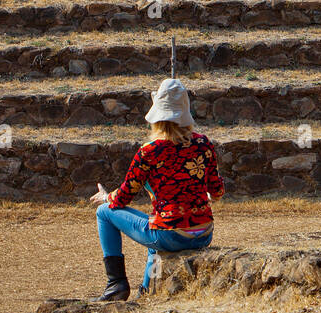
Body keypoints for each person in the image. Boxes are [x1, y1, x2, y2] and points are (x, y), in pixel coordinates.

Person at [90, 78, 224, 300]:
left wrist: (107, 197)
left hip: (170, 234)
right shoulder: (203, 144)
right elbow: (217, 191)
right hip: (203, 232)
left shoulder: (149, 152)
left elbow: (124, 196)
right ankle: (146, 290)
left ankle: (116, 284)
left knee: (104, 213)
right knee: (155, 232)